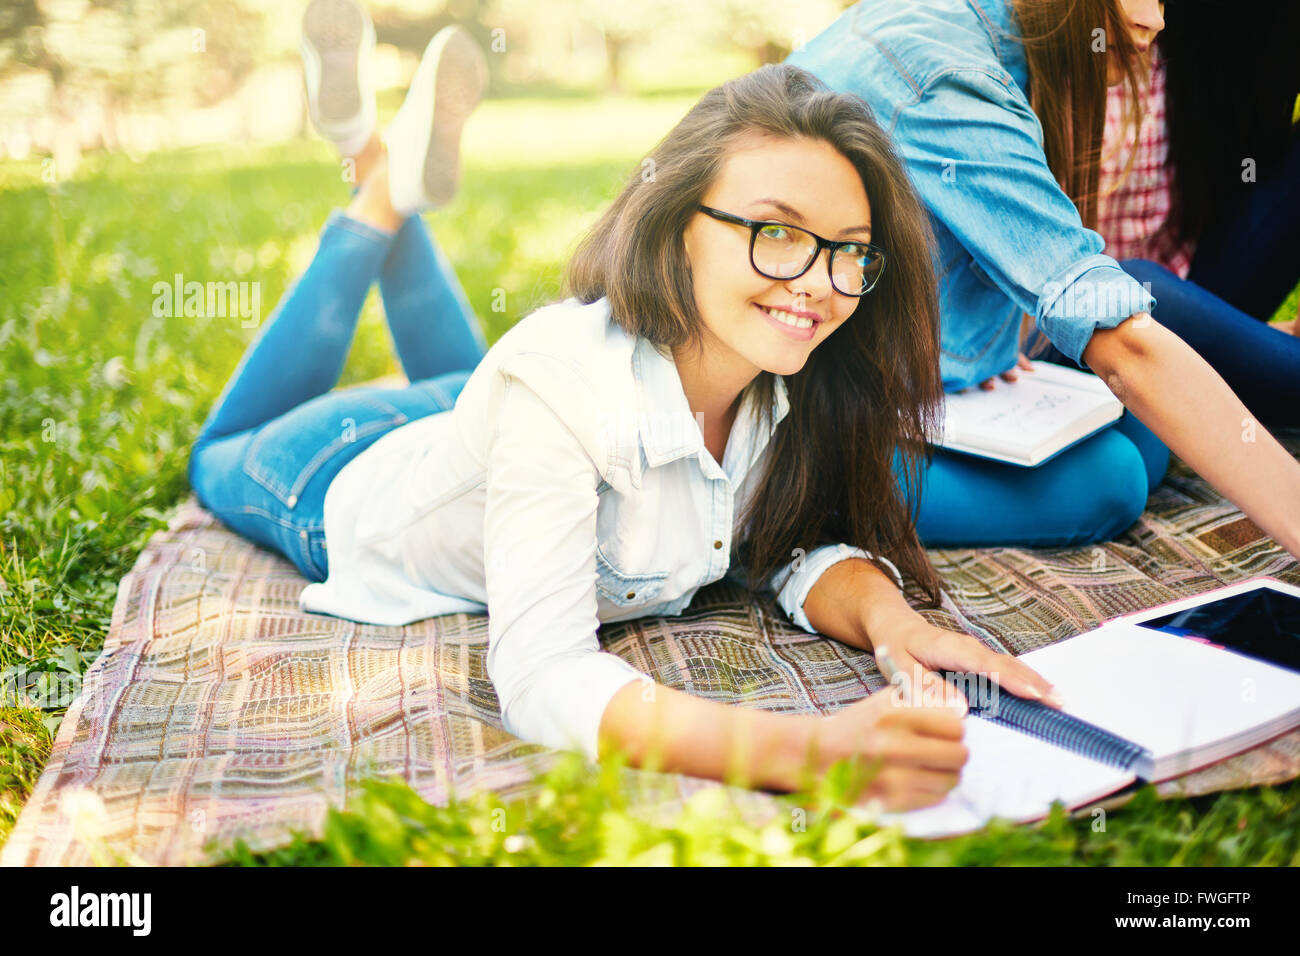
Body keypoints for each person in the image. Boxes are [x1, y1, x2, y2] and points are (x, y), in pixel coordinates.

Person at [187, 0, 1063, 813]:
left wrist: (894, 623)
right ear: (679, 222)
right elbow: (541, 674)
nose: (818, 284)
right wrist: (808, 751)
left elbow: (788, 550)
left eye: (848, 252)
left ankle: (380, 162)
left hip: (481, 419)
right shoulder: (559, 384)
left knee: (482, 384)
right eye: (778, 232)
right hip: (340, 477)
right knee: (214, 454)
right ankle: (375, 178)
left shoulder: (784, 379)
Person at [789, 0, 1300, 553]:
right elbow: (1117, 337)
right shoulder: (948, 81)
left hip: (907, 381)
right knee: (1114, 480)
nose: (1158, 20)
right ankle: (800, 500)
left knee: (1138, 437)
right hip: (805, 414)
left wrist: (977, 346)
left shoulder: (985, 41)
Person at [1089, 4, 1300, 426]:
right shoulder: (1033, 56)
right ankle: (1263, 364)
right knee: (1125, 286)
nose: (1156, 17)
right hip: (1087, 317)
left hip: (1189, 288)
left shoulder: (1187, 32)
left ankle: (1251, 358)